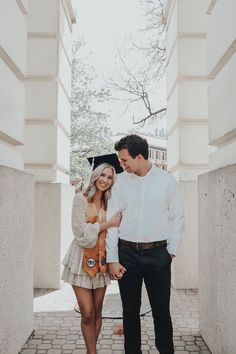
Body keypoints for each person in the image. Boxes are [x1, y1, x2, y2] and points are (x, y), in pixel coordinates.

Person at [106, 134, 184, 354]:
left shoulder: (166, 180)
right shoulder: (119, 182)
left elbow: (178, 217)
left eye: (124, 160)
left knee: (161, 311)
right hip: (127, 254)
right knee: (129, 312)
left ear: (139, 156)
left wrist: (171, 251)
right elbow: (112, 221)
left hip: (159, 253)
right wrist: (112, 258)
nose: (121, 165)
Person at [61, 153, 123, 354]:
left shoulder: (111, 203)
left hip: (102, 261)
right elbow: (81, 234)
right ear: (95, 175)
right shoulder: (80, 199)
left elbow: (116, 232)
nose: (105, 180)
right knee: (87, 313)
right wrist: (108, 224)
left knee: (97, 312)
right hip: (81, 261)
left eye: (110, 177)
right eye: (102, 175)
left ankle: (91, 351)